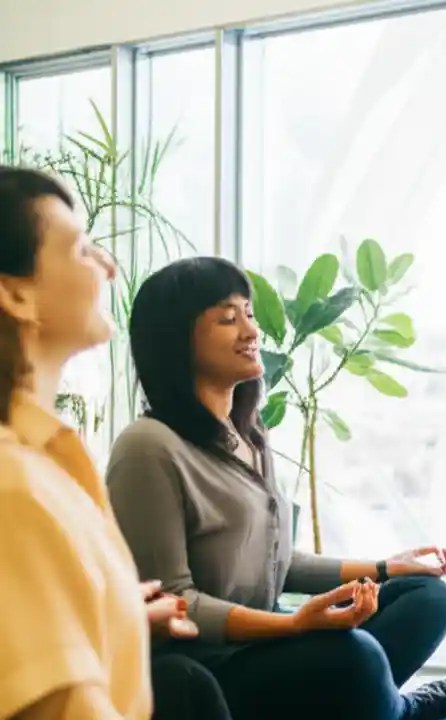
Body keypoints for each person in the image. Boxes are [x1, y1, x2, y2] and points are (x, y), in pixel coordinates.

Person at [105, 256, 446, 720]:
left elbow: (280, 563)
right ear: (176, 341)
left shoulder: (248, 434)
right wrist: (293, 626)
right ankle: (399, 711)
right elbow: (173, 604)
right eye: (228, 318)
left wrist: (388, 567)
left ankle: (376, 706)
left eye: (248, 312)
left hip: (271, 637)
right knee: (356, 656)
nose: (250, 330)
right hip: (214, 662)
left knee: (426, 597)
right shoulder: (148, 448)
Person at [0, 166, 229, 720]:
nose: (109, 264)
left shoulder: (44, 462)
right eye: (81, 249)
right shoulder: (16, 486)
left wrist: (115, 612)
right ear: (14, 294)